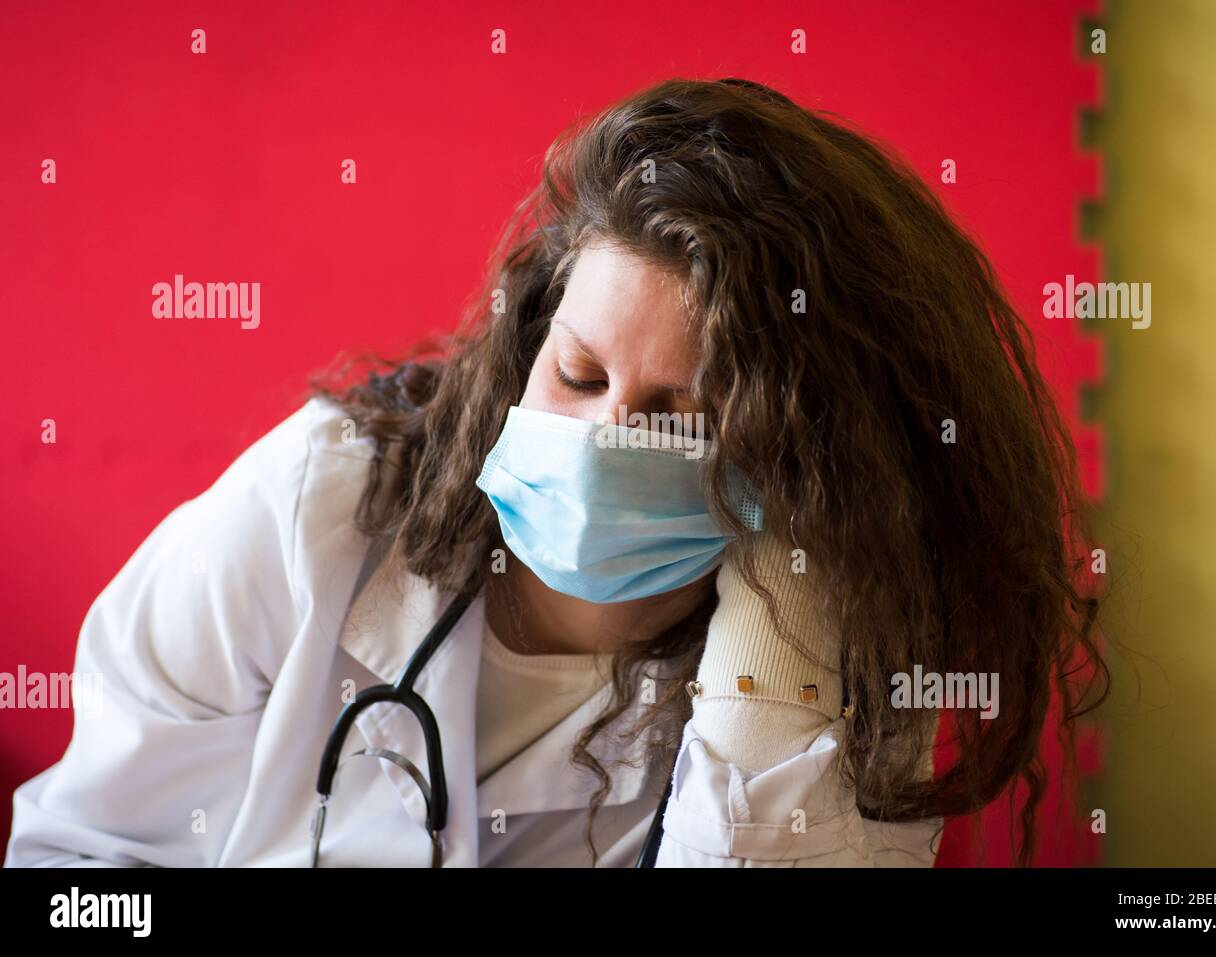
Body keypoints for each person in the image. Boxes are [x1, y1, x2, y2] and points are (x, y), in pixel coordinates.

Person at [4, 76, 1102, 868]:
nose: (596, 438)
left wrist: (794, 610)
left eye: (677, 417)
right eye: (576, 374)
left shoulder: (839, 654)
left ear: (796, 469)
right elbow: (79, 864)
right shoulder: (324, 504)